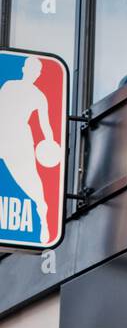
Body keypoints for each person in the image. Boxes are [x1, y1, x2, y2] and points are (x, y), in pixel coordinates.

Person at [0, 57, 55, 244]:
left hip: (20, 140)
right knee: (32, 181)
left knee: (32, 182)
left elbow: (45, 125)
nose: (36, 74)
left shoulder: (39, 95)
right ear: (24, 69)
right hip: (6, 135)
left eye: (37, 71)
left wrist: (49, 142)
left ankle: (44, 215)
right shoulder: (9, 85)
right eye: (33, 69)